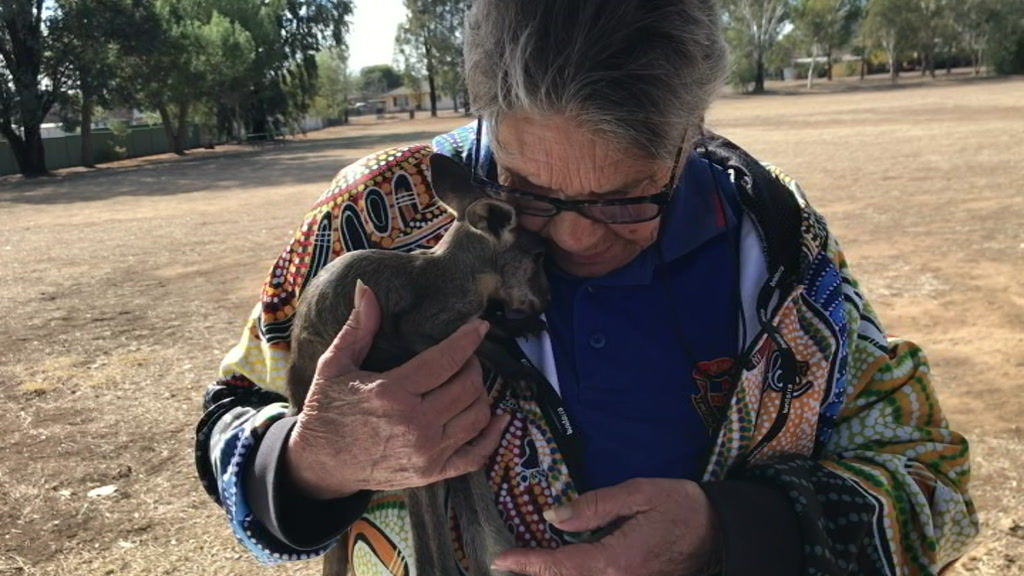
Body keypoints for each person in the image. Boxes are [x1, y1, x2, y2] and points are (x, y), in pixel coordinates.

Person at [194, 1, 978, 574]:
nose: (572, 238)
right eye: (530, 190)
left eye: (628, 198)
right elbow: (230, 419)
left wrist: (731, 534)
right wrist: (308, 463)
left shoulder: (772, 245)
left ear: (690, 134)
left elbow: (928, 475)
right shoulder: (369, 221)